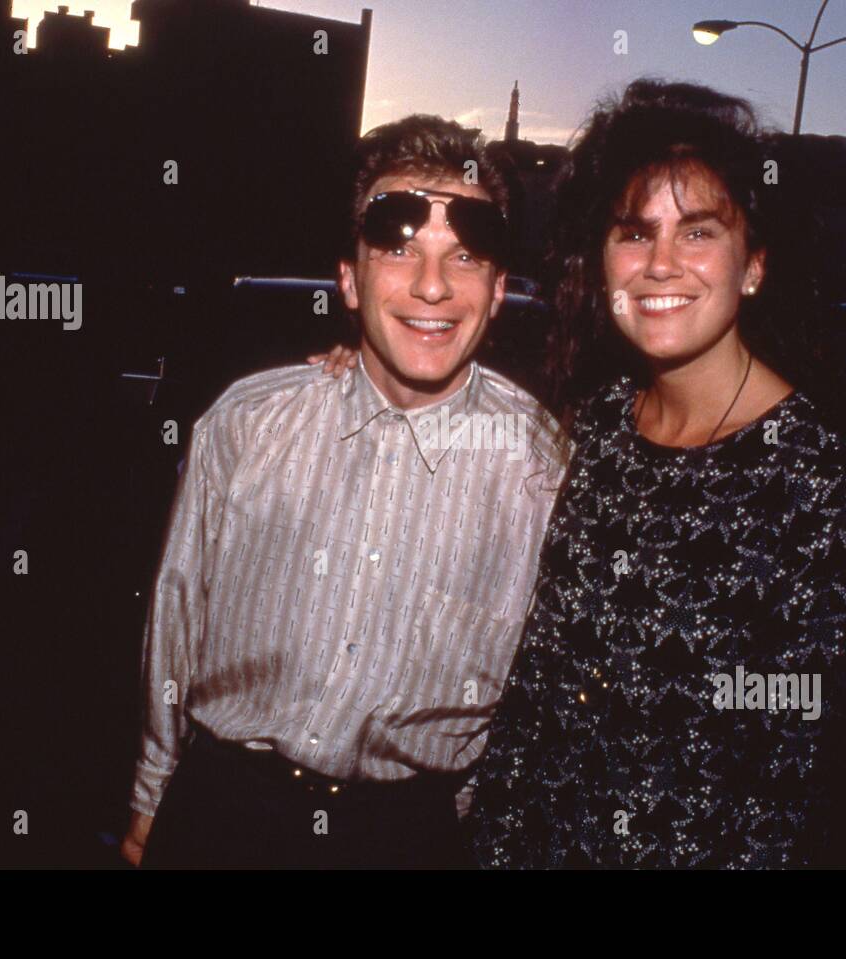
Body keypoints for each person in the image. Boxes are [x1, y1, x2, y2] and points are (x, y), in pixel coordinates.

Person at [312, 78, 846, 867]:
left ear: (753, 265)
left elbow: (788, 781)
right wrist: (352, 366)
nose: (661, 265)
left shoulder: (814, 477)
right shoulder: (598, 424)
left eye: (699, 231)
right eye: (635, 233)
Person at [121, 114, 567, 868]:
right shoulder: (248, 423)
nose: (432, 285)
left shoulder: (543, 469)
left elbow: (537, 694)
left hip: (407, 836)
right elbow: (177, 611)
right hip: (221, 812)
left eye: (463, 256)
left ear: (497, 292)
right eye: (398, 250)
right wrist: (152, 794)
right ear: (350, 281)